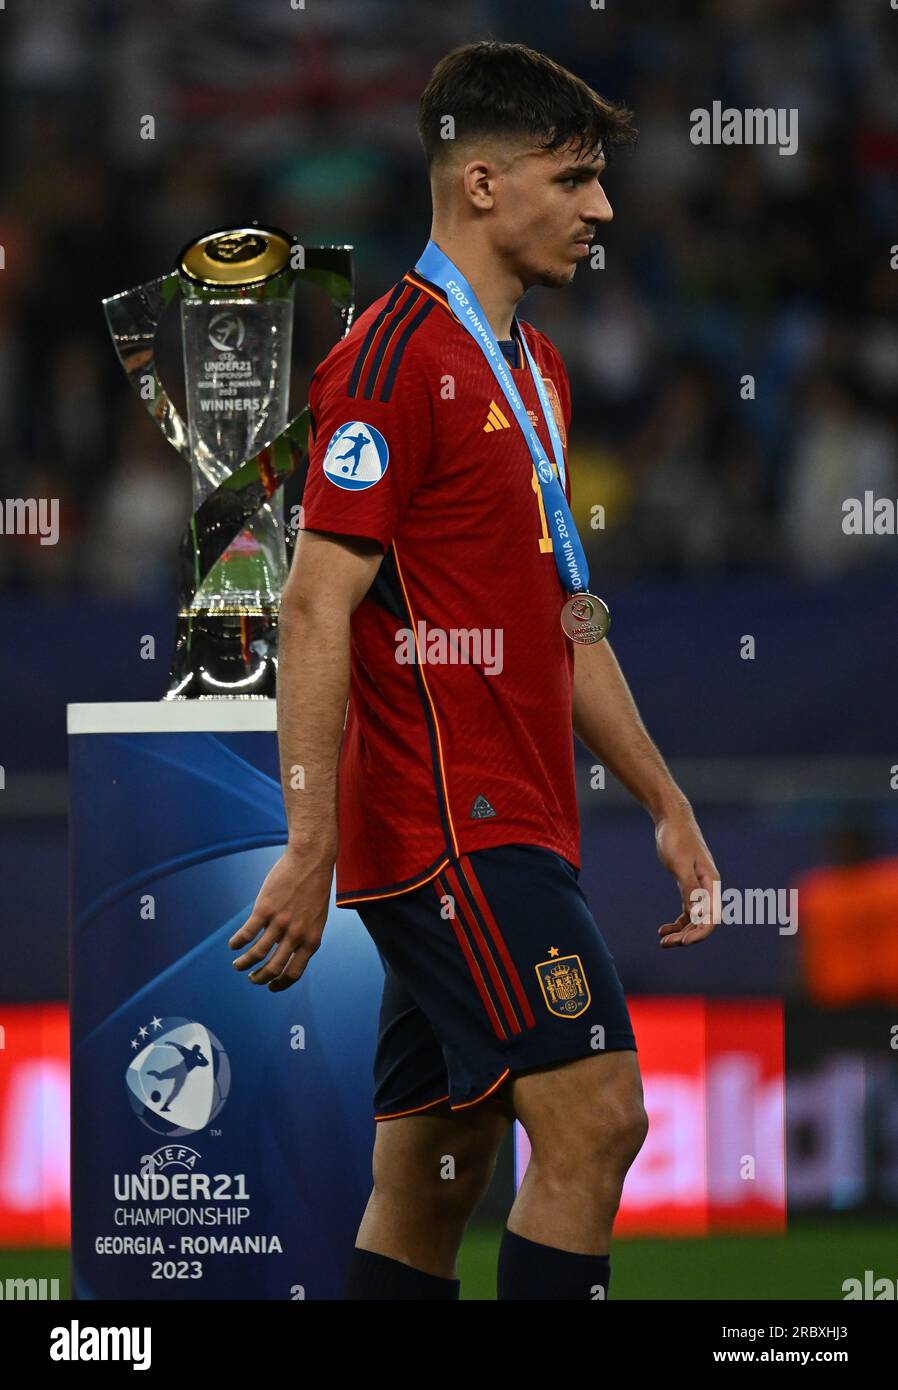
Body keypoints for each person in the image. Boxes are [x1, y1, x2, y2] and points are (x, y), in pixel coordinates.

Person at [229, 39, 720, 1301]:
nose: (602, 210)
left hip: (520, 823)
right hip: (454, 834)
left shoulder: (537, 371)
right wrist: (307, 836)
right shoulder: (389, 361)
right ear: (484, 184)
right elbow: (310, 604)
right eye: (576, 180)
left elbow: (570, 622)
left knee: (431, 1177)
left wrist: (664, 803)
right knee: (599, 1119)